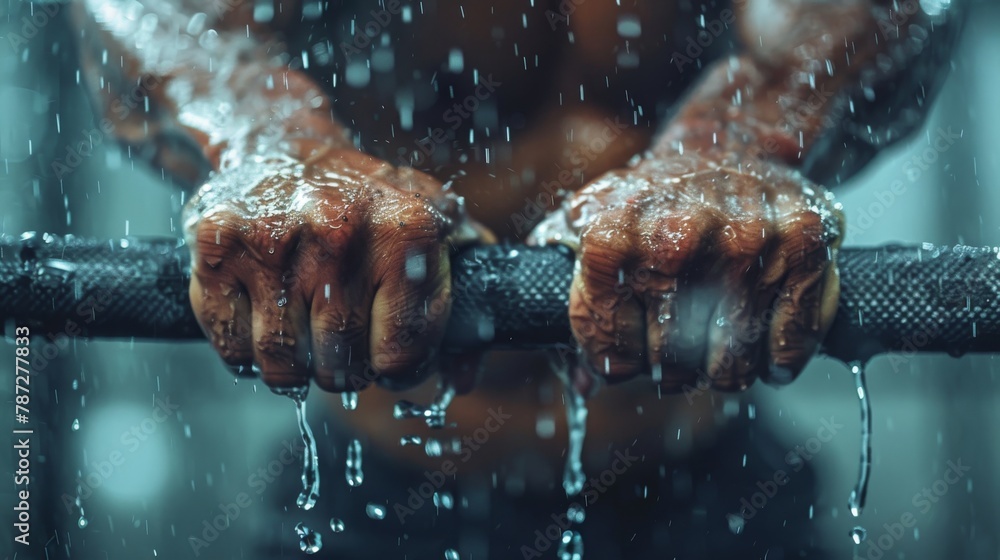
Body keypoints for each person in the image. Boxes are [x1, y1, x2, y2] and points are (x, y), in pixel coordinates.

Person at [67, 0, 962, 557]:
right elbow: (153, 14)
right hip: (386, 487)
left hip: (696, 472)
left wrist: (742, 143)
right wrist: (270, 147)